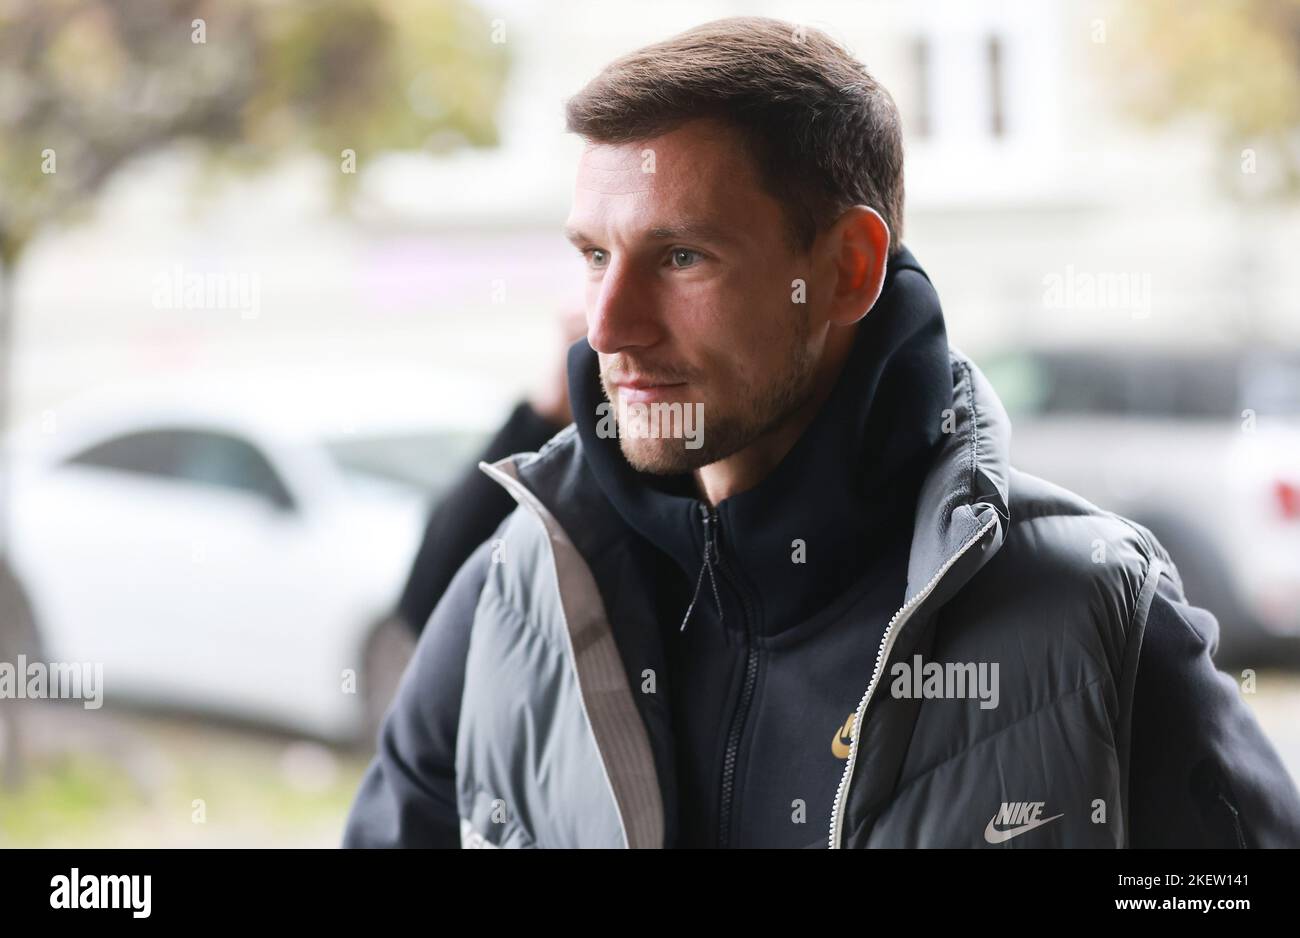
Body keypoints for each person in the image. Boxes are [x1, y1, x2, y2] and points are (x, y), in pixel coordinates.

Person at [344, 16, 1300, 848]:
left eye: (681, 255)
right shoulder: (510, 601)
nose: (607, 329)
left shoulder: (1086, 614)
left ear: (847, 268)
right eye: (595, 255)